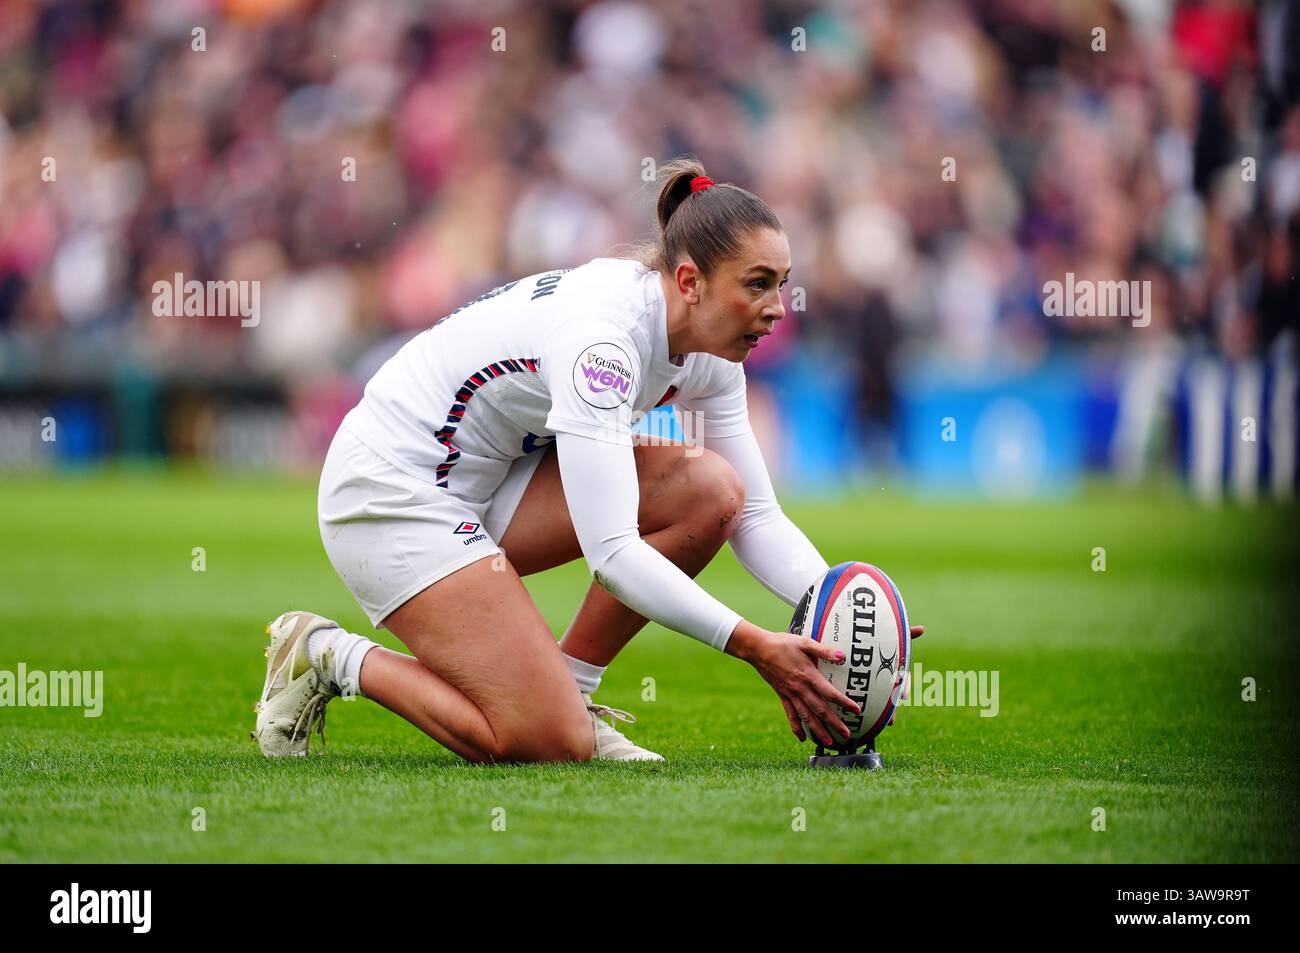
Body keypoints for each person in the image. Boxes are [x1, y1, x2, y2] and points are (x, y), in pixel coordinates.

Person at [252, 157, 922, 763]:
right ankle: (323, 653)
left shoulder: (710, 350)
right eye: (758, 283)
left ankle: (571, 689)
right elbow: (613, 554)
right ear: (689, 280)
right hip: (388, 491)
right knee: (547, 742)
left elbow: (752, 510)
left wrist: (837, 615)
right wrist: (753, 643)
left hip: (485, 476)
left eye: (782, 283)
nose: (778, 309)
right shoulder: (604, 343)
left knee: (710, 490)